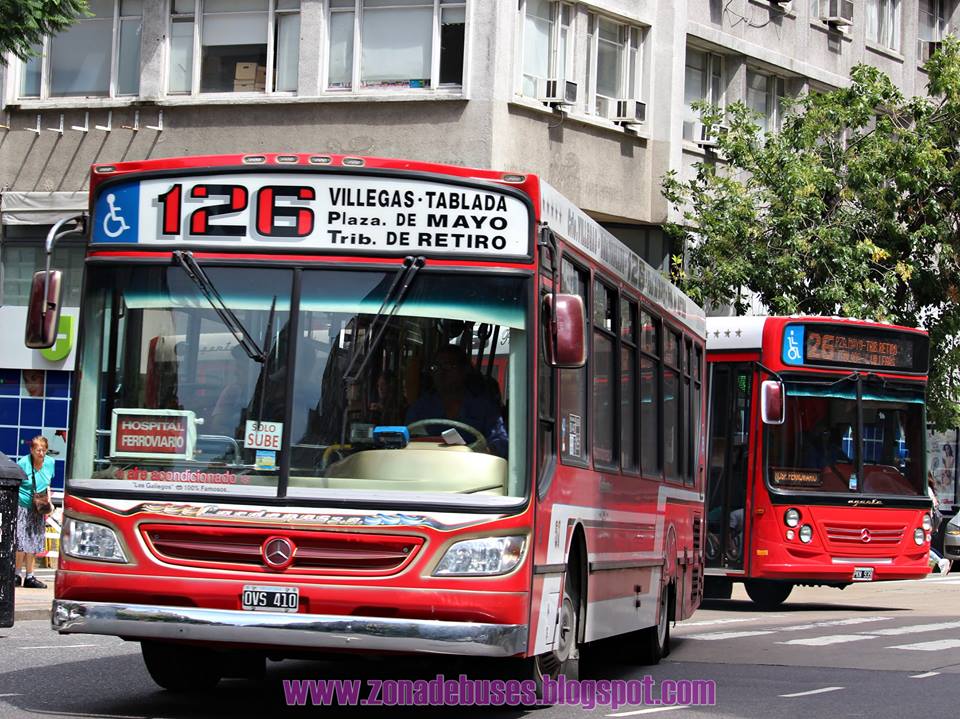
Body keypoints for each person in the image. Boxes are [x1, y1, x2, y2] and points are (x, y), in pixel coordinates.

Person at [406, 345, 508, 457]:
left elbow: (501, 441)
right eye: (435, 367)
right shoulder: (421, 407)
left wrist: (484, 451)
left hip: (471, 465)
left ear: (464, 370)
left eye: (448, 366)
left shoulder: (484, 406)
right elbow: (408, 439)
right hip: (428, 463)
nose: (441, 373)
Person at [15, 435, 54, 589]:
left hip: (39, 507)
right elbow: (16, 484)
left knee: (34, 540)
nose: (41, 453)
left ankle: (30, 576)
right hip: (22, 505)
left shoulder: (50, 463)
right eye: (38, 450)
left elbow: (48, 484)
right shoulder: (23, 463)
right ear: (31, 450)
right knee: (20, 540)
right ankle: (16, 574)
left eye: (44, 450)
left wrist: (49, 502)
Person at [928, 473, 951, 576]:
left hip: (925, 522)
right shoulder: (929, 489)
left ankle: (941, 561)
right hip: (928, 522)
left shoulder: (926, 490)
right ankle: (941, 561)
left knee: (922, 546)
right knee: (924, 546)